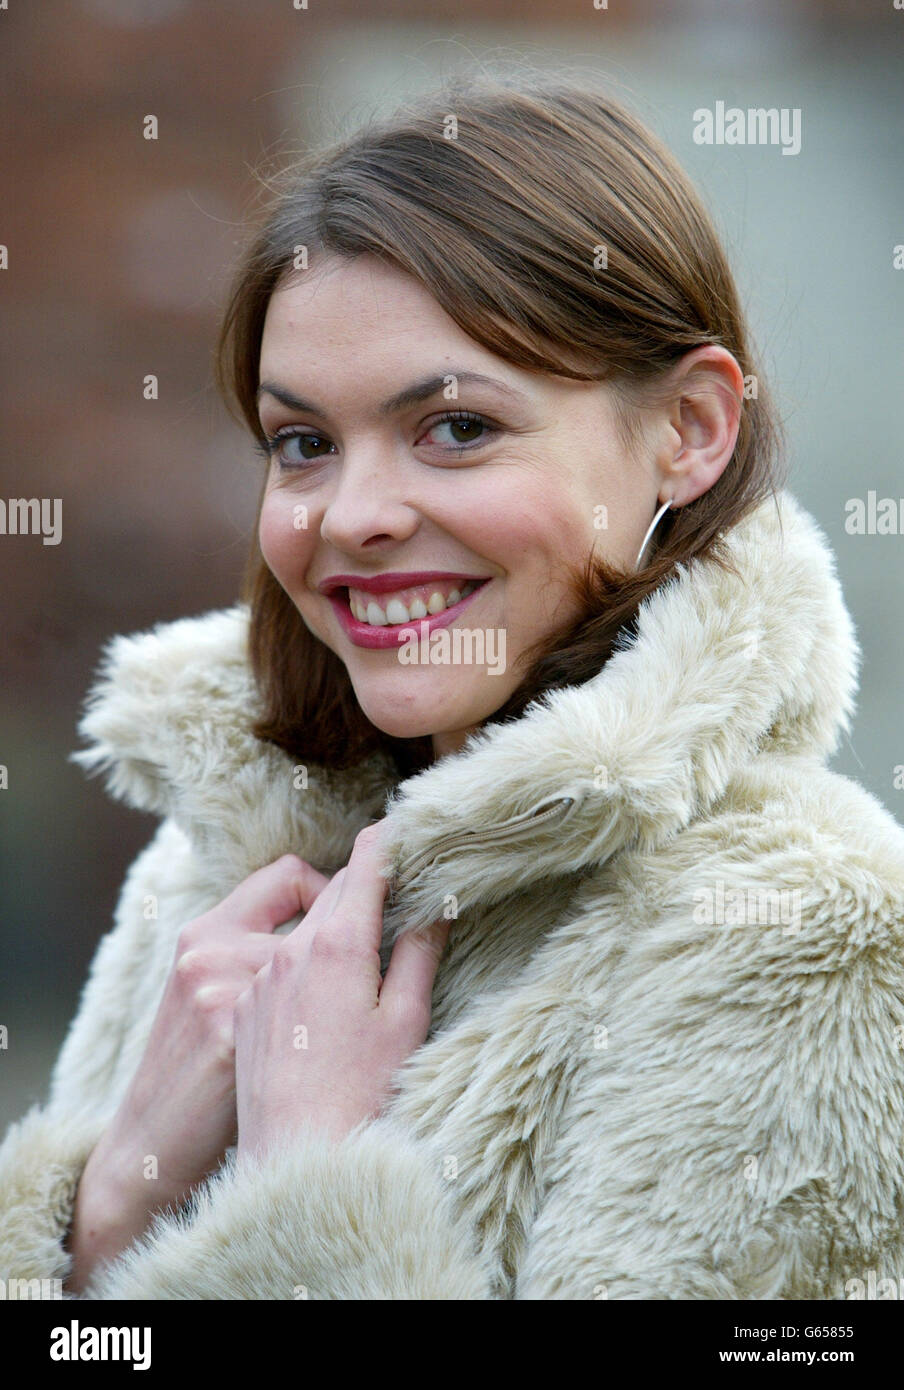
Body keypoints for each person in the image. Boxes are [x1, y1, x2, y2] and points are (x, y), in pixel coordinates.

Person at [2, 69, 903, 1301]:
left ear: (688, 432)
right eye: (304, 443)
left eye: (456, 427)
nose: (355, 517)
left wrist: (310, 1186)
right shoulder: (209, 880)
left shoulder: (816, 938)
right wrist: (111, 1206)